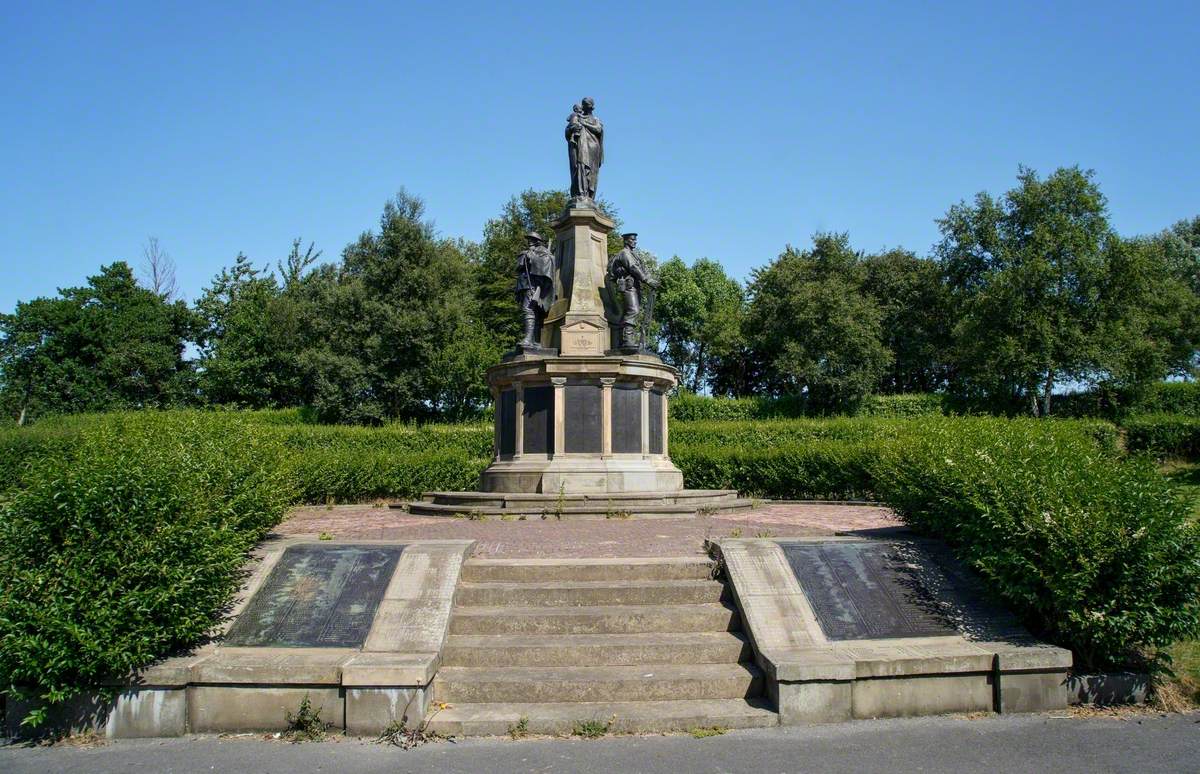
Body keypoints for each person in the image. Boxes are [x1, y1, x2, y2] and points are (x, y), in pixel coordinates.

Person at [607, 232, 657, 349]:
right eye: (632, 240)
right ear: (626, 241)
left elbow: (641, 268)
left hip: (635, 285)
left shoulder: (633, 254)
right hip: (629, 286)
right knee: (633, 310)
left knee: (631, 311)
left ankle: (623, 339)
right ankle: (627, 340)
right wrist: (647, 280)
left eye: (635, 240)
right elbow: (633, 267)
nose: (635, 241)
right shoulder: (625, 253)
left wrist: (650, 279)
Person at [515, 231, 555, 347]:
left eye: (532, 239)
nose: (529, 242)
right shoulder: (528, 252)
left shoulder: (542, 251)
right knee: (530, 311)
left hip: (533, 285)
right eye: (529, 239)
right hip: (525, 284)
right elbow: (519, 266)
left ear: (537, 241)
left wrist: (532, 256)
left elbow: (548, 261)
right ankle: (534, 341)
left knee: (528, 310)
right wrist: (526, 255)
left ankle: (529, 339)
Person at [565, 97, 603, 204]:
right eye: (583, 104)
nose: (584, 106)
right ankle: (580, 193)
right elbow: (568, 130)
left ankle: (589, 195)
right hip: (579, 147)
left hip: (592, 148)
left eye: (586, 104)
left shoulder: (595, 119)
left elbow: (598, 129)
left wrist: (584, 123)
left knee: (591, 172)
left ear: (591, 106)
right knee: (579, 168)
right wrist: (572, 129)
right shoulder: (577, 117)